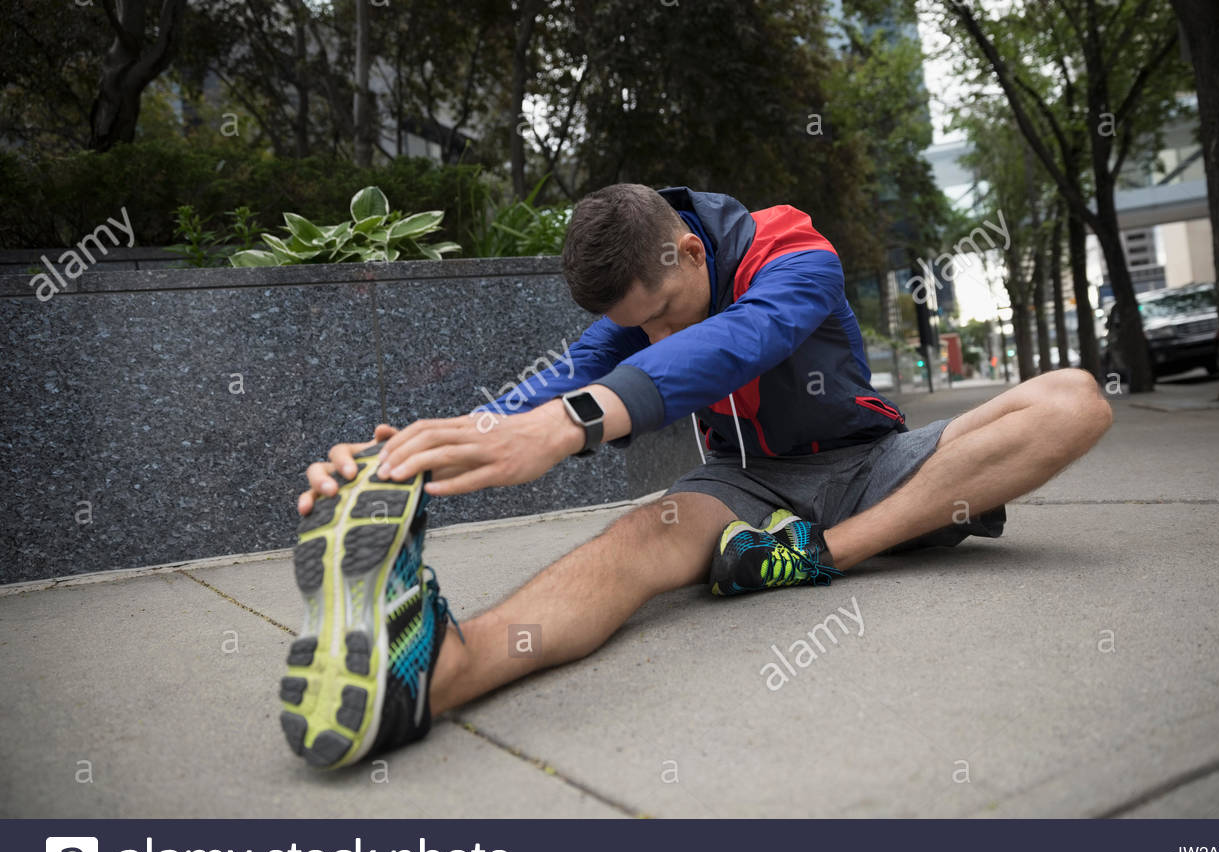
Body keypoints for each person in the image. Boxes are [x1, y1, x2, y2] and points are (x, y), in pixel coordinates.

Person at [279, 183, 1113, 768]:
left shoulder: (792, 249)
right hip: (742, 490)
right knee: (644, 534)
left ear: (686, 249)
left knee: (1073, 399)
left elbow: (741, 341)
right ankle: (432, 672)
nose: (651, 335)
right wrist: (418, 452)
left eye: (660, 314)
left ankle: (821, 553)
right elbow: (559, 383)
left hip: (869, 468)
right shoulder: (647, 291)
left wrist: (571, 429)